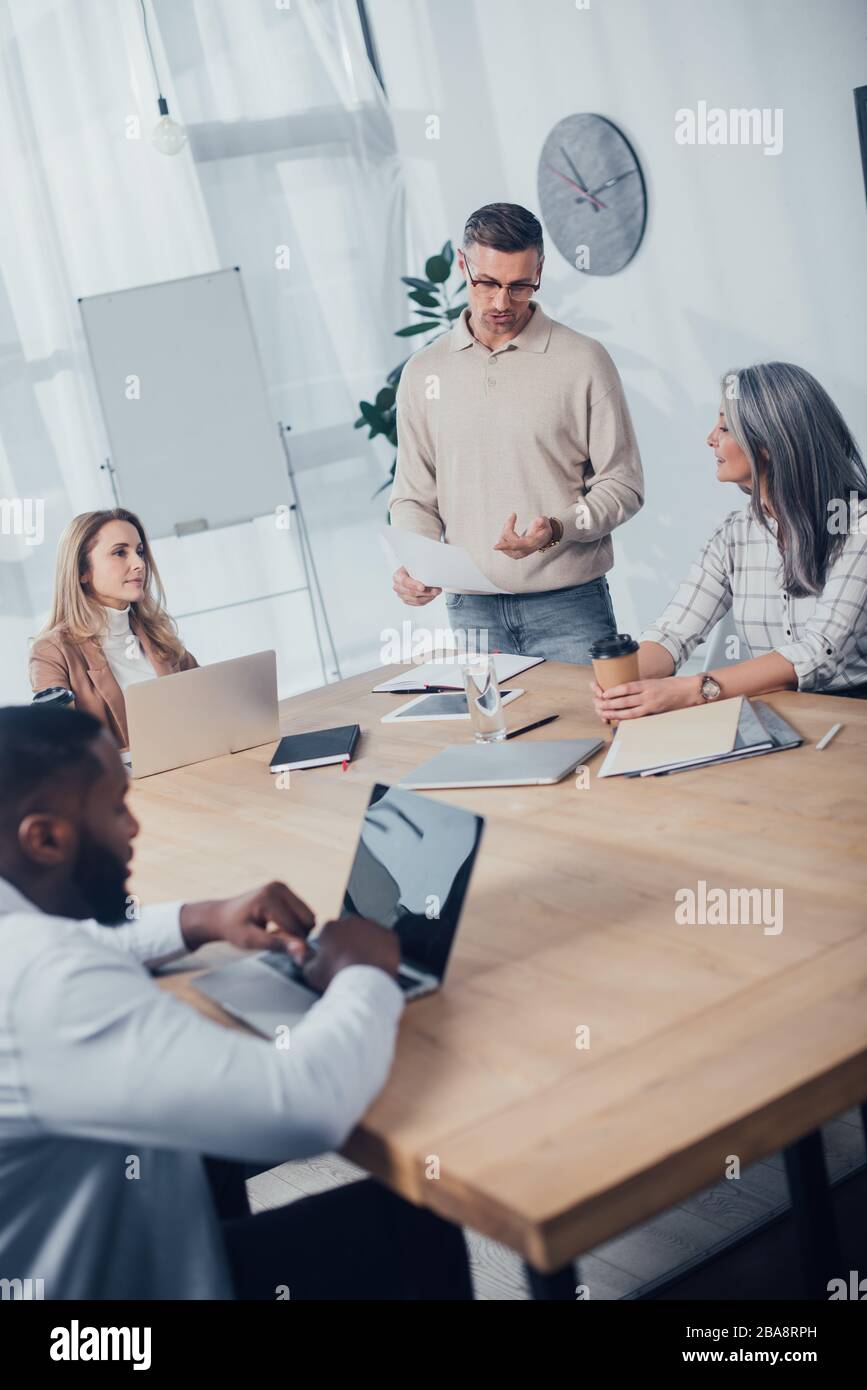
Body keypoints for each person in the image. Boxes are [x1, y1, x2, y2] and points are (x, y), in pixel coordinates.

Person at [0, 705, 472, 1300]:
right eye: (117, 806)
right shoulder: (40, 984)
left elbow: (74, 943)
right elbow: (303, 1109)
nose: (133, 829)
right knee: (411, 1227)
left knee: (206, 1154)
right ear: (44, 838)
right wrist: (363, 975)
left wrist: (203, 919)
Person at [389, 202, 644, 665]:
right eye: (486, 283)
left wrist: (559, 528)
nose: (502, 302)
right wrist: (417, 564)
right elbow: (413, 497)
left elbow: (623, 484)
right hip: (471, 613)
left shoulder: (583, 360)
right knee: (498, 737)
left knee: (597, 733)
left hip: (569, 607)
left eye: (520, 285)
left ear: (540, 271)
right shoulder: (423, 373)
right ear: (464, 267)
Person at [593, 362, 867, 723]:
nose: (710, 438)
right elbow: (675, 631)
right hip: (777, 712)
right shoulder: (735, 535)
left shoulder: (856, 525)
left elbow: (820, 650)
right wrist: (625, 683)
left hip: (851, 715)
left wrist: (694, 690)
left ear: (769, 443)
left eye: (725, 427)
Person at [29, 507, 197, 750]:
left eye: (139, 552)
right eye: (120, 552)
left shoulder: (156, 632)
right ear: (82, 572)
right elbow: (61, 745)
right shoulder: (51, 651)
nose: (139, 563)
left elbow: (207, 703)